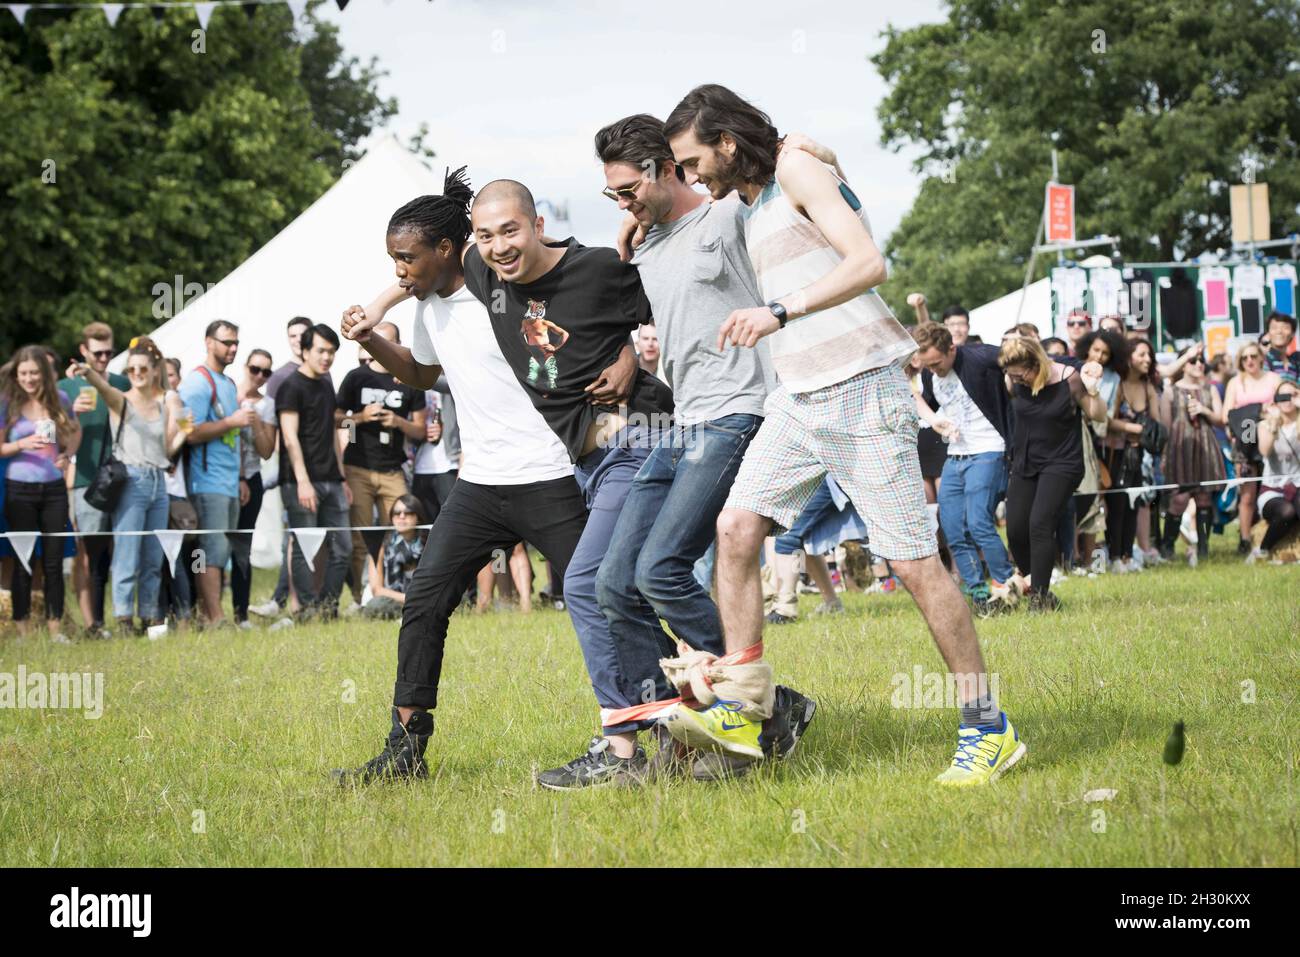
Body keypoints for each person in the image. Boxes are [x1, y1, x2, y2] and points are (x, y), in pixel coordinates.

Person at [664, 83, 1023, 786]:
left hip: (863, 390)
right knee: (736, 529)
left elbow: (869, 262)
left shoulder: (797, 169)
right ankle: (743, 701)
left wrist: (779, 309)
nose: (689, 175)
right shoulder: (751, 196)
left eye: (691, 160)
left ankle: (989, 727)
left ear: (727, 144)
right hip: (798, 399)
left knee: (915, 565)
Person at [332, 169, 646, 787]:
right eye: (392, 259)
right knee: (423, 602)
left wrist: (627, 355)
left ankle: (669, 720)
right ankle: (406, 747)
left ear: (450, 251)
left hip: (555, 476)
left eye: (407, 258)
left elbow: (597, 314)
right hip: (480, 485)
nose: (398, 269)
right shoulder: (427, 305)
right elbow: (423, 374)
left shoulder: (503, 287)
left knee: (611, 601)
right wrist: (375, 331)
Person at [600, 113, 818, 781]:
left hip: (737, 412)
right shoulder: (643, 241)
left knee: (661, 569)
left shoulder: (727, 218)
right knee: (616, 585)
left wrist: (805, 149)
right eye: (612, 194)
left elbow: (779, 177)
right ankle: (701, 722)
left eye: (629, 188)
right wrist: (628, 225)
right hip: (682, 419)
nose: (623, 202)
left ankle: (751, 709)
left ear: (668, 167)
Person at [73, 337, 183, 634]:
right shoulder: (121, 400)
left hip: (158, 481)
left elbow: (168, 445)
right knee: (126, 552)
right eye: (132, 369)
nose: (137, 373)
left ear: (153, 371)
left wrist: (184, 433)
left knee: (152, 555)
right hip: (131, 481)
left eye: (142, 369)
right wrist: (88, 372)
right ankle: (123, 618)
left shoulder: (162, 405)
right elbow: (105, 388)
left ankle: (149, 616)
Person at [912, 322, 1018, 616]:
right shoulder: (931, 372)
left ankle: (1004, 586)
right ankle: (979, 594)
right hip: (956, 455)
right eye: (928, 365)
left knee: (979, 522)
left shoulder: (980, 357)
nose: (933, 370)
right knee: (953, 527)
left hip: (989, 451)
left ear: (951, 349)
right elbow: (915, 397)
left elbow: (1026, 356)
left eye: (937, 363)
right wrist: (934, 418)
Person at [998, 336, 1107, 610]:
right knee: (1017, 529)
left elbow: (1097, 415)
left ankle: (1040, 597)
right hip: (1026, 461)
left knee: (1040, 523)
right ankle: (1038, 584)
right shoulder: (1015, 380)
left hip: (1062, 463)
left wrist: (1093, 390)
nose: (1017, 381)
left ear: (1037, 363)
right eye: (1013, 377)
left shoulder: (1069, 378)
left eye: (1021, 376)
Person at [336, 321, 425, 609]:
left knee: (399, 531)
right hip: (358, 468)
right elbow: (336, 419)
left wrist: (398, 422)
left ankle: (396, 592)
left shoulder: (409, 377)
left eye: (385, 342)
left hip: (392, 469)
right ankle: (358, 597)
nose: (378, 347)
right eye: (374, 341)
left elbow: (421, 430)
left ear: (397, 343)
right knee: (361, 537)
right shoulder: (355, 378)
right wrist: (360, 418)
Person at [1, 346, 81, 640]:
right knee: (23, 559)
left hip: (54, 489)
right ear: (16, 374)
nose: (29, 378)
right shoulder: (7, 403)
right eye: (23, 373)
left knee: (53, 560)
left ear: (44, 374)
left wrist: (67, 455)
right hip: (19, 489)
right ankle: (22, 630)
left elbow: (74, 431)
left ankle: (55, 629)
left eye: (34, 372)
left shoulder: (59, 399)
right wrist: (22, 444)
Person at [179, 320, 255, 627]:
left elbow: (232, 439)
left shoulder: (228, 383)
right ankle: (215, 617)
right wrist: (232, 422)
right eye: (227, 342)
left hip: (227, 481)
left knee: (220, 551)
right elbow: (188, 433)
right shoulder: (196, 383)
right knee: (208, 551)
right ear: (209, 343)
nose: (233, 348)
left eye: (236, 342)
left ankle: (210, 612)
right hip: (205, 480)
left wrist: (239, 477)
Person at [275, 323, 351, 619]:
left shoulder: (326, 383)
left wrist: (341, 475)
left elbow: (333, 432)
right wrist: (303, 481)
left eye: (331, 352)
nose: (327, 357)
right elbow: (290, 438)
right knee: (304, 547)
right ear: (305, 351)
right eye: (321, 350)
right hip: (299, 482)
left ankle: (328, 607)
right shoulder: (290, 386)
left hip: (332, 479)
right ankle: (305, 610)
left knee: (342, 546)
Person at [58, 321, 127, 637]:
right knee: (87, 551)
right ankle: (91, 624)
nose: (103, 359)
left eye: (108, 352)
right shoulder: (65, 389)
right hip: (86, 478)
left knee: (118, 551)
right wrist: (69, 411)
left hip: (123, 476)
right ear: (83, 352)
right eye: (97, 353)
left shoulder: (123, 382)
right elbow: (51, 437)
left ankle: (117, 619)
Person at [253, 316, 313, 619]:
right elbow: (270, 425)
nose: (296, 340)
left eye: (301, 334)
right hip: (289, 471)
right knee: (293, 535)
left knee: (303, 537)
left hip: (318, 471)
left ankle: (294, 601)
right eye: (291, 335)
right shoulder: (279, 378)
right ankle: (285, 600)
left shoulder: (322, 371)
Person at [1157, 350, 1226, 566]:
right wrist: (1165, 454)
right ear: (1183, 365)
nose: (1198, 364)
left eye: (1201, 361)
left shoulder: (1210, 389)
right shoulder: (1171, 391)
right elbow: (1165, 426)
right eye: (1192, 361)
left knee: (1204, 498)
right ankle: (1167, 545)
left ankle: (1203, 546)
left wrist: (1204, 409)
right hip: (1179, 447)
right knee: (1179, 499)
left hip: (1205, 445)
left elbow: (1220, 419)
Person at [1103, 336, 1165, 573]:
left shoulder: (1148, 386)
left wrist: (1147, 433)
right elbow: (1106, 420)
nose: (1147, 359)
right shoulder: (1117, 383)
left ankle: (1128, 556)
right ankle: (1115, 556)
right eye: (1142, 354)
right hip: (1116, 453)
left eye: (1149, 355)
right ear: (1129, 357)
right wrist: (1131, 428)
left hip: (1139, 455)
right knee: (1117, 504)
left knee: (1134, 502)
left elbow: (1156, 423)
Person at [230, 350, 277, 627]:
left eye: (266, 372)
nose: (259, 376)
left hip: (253, 477)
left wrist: (255, 420)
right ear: (245, 367)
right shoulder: (227, 391)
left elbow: (267, 451)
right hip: (223, 479)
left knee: (242, 547)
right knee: (210, 546)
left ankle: (240, 613)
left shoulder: (267, 405)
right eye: (255, 369)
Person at [1223, 342, 1282, 554]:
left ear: (1260, 358)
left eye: (1253, 356)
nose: (1249, 360)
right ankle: (1245, 539)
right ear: (1240, 361)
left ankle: (1271, 537)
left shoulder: (1273, 379)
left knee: (1272, 490)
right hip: (1244, 442)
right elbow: (1225, 415)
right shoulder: (1235, 383)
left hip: (1271, 439)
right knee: (1247, 494)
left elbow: (1283, 406)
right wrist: (1255, 412)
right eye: (1245, 357)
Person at [160, 357, 195, 628]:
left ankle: (184, 617)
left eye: (171, 374)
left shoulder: (181, 408)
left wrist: (183, 434)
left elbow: (170, 453)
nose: (167, 379)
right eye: (163, 375)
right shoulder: (150, 407)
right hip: (155, 493)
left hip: (178, 495)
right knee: (157, 561)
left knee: (184, 559)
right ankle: (161, 617)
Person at [1254, 380, 1300, 559]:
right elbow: (1264, 451)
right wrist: (1273, 425)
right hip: (1272, 489)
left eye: (1293, 395)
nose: (1288, 400)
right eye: (1282, 397)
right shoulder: (1264, 425)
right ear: (1275, 401)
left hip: (1297, 485)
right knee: (1287, 512)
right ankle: (1263, 550)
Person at [362, 495, 428, 619]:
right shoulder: (379, 545)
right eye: (397, 513)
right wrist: (409, 599)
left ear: (417, 517)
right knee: (375, 606)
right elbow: (377, 589)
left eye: (408, 512)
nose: (402, 516)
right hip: (392, 600)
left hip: (424, 598)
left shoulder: (429, 544)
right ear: (391, 517)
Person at [411, 375, 459, 526]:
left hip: (450, 463)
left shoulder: (454, 373)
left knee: (453, 522)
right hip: (418, 465)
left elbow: (449, 383)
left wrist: (409, 374)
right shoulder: (409, 387)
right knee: (424, 526)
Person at [1262, 311, 1299, 386]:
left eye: (1285, 327)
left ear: (1292, 334)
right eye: (1274, 327)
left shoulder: (1296, 363)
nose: (1279, 331)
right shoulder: (1263, 360)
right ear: (1268, 333)